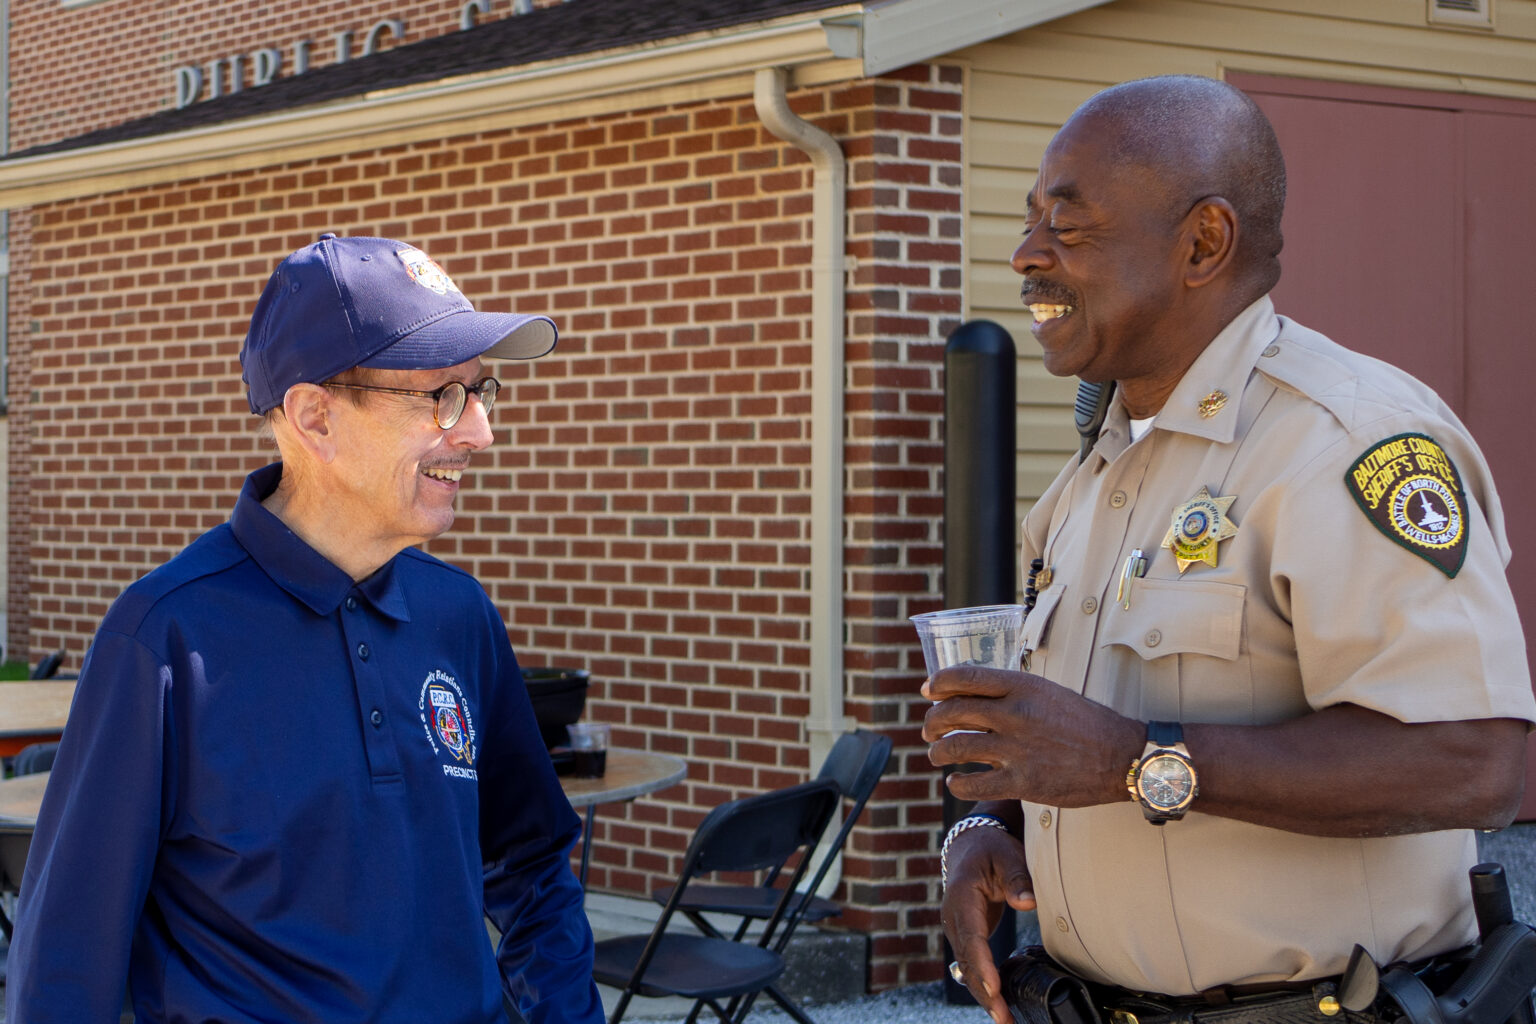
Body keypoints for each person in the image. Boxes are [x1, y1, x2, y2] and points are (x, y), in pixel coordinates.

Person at [925, 76, 1536, 1024]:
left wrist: (1140, 762)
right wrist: (988, 824)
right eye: (1032, 219)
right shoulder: (1096, 472)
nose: (1028, 254)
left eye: (1069, 225)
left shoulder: (1349, 443)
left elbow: (1476, 763)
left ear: (1203, 243)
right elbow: (1071, 743)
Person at [5, 234, 604, 1024]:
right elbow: (64, 965)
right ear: (315, 415)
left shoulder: (460, 615)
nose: (479, 432)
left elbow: (530, 861)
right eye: (442, 398)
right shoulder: (163, 638)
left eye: (482, 390)